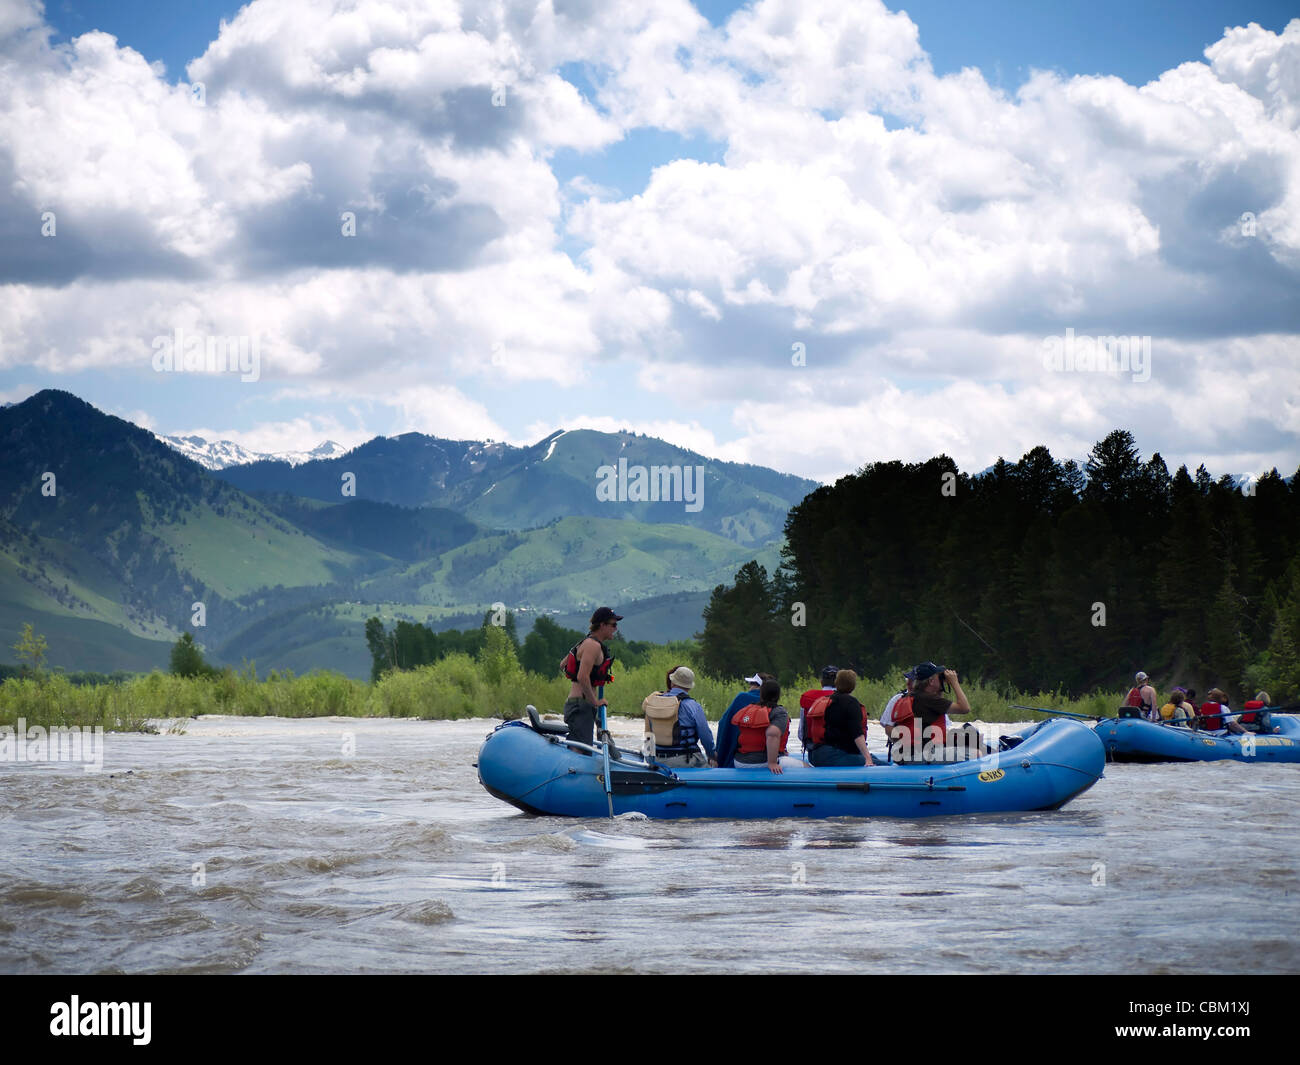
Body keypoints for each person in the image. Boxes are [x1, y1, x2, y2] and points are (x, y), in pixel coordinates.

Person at [562, 607, 620, 746]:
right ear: (602, 625)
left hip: (581, 704)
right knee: (580, 749)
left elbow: (563, 664)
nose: (615, 629)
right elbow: (582, 677)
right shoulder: (592, 646)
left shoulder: (587, 642)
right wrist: (595, 701)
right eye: (613, 625)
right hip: (580, 705)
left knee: (584, 746)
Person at [893, 662, 971, 762]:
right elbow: (965, 708)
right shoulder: (929, 700)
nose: (942, 680)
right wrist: (954, 683)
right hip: (921, 755)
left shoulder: (909, 697)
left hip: (905, 755)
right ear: (931, 681)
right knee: (975, 753)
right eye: (939, 677)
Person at [643, 665, 716, 767]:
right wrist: (713, 756)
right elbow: (706, 737)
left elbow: (648, 734)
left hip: (658, 760)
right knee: (712, 766)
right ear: (689, 687)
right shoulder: (693, 706)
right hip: (685, 760)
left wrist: (650, 760)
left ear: (672, 682)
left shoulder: (653, 702)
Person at [733, 678, 804, 773]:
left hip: (739, 762)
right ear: (778, 695)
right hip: (761, 762)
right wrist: (772, 763)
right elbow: (772, 734)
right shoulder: (779, 712)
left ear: (761, 695)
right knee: (808, 768)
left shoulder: (749, 709)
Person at [806, 670, 873, 767]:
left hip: (816, 754)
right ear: (853, 686)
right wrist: (868, 759)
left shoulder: (828, 700)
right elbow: (857, 734)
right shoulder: (851, 703)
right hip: (834, 755)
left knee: (873, 757)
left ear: (836, 683)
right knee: (881, 764)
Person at [716, 672, 767, 769]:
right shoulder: (771, 701)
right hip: (765, 757)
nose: (749, 686)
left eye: (751, 683)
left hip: (741, 757)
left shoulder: (742, 697)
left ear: (756, 686)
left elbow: (723, 722)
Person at [798, 665, 840, 755]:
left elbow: (801, 733)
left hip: (815, 751)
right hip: (841, 749)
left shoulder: (807, 698)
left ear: (821, 682)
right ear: (839, 683)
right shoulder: (848, 699)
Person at [881, 669, 915, 760]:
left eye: (913, 680)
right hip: (906, 751)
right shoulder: (898, 699)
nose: (909, 683)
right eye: (908, 680)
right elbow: (888, 728)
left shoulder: (934, 700)